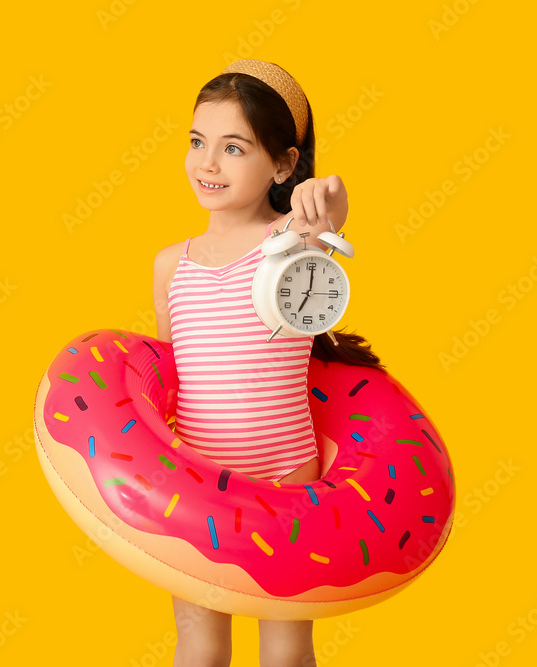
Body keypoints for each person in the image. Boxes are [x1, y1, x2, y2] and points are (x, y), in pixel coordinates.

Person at [150, 60, 383, 667]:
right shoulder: (170, 266)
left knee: (285, 649)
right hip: (198, 486)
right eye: (198, 142)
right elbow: (174, 382)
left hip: (288, 482)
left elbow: (334, 200)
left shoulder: (293, 242)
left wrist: (321, 193)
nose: (208, 163)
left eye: (234, 148)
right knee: (199, 646)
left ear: (281, 164)